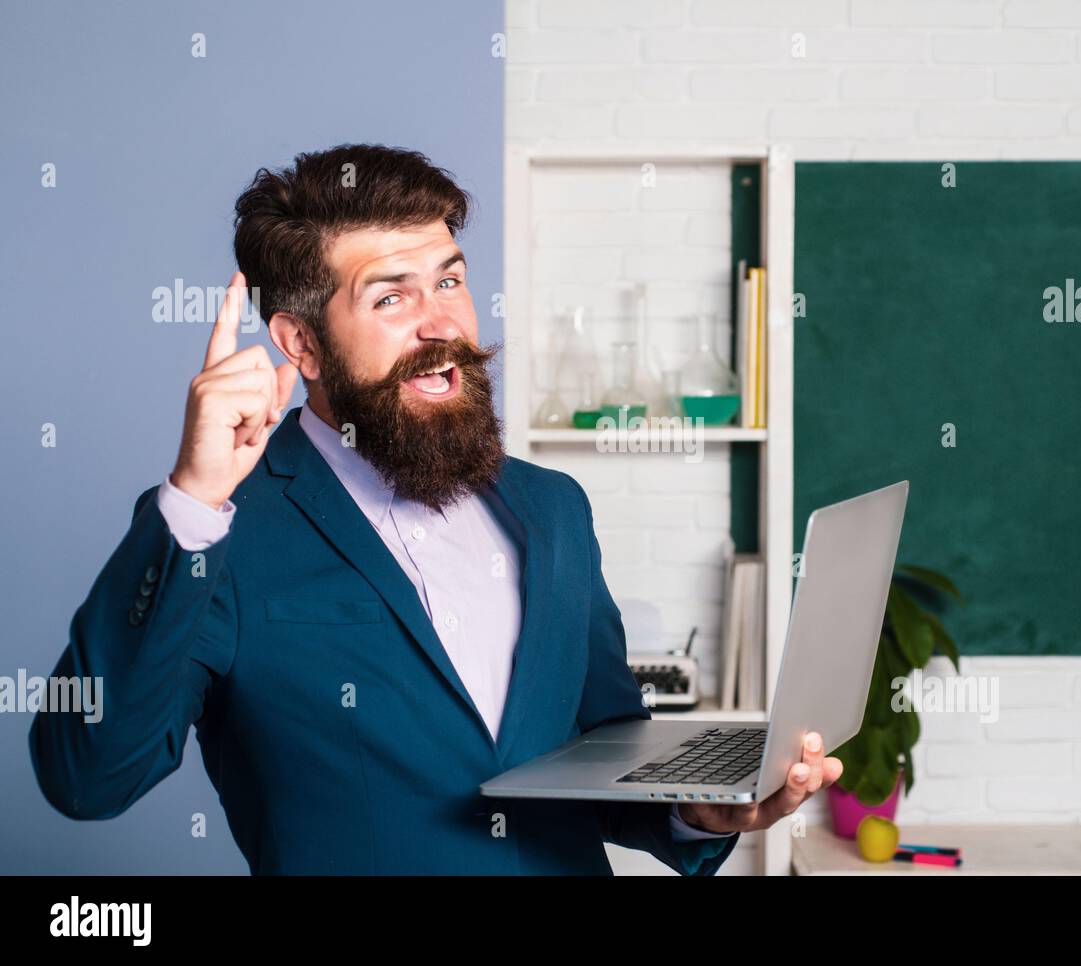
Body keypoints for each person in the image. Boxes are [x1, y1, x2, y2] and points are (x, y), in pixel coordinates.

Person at [29, 143, 842, 874]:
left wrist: (693, 809)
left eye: (449, 279)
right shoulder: (219, 531)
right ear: (301, 344)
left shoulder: (551, 508)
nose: (441, 323)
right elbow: (88, 775)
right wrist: (194, 499)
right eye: (390, 299)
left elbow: (602, 746)